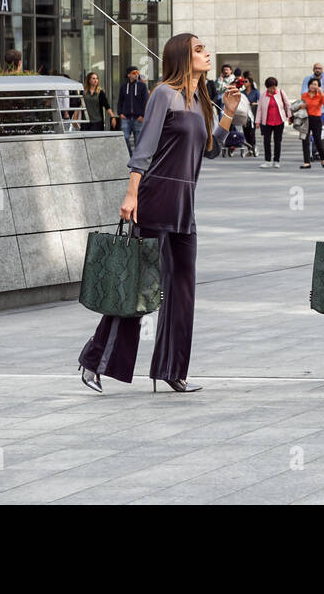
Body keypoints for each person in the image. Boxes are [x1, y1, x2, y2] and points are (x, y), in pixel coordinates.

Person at [78, 34, 240, 394]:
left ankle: (172, 369)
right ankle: (94, 361)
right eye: (199, 49)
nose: (207, 53)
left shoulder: (201, 100)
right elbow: (145, 147)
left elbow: (210, 150)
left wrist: (228, 112)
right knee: (137, 285)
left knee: (182, 291)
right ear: (183, 56)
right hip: (154, 198)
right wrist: (131, 193)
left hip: (184, 204)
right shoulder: (163, 94)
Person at [255, 77, 291, 168]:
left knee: (277, 141)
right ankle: (267, 161)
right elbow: (259, 109)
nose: (272, 89)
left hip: (279, 121)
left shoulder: (281, 93)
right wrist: (257, 121)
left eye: (274, 87)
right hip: (267, 122)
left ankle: (276, 160)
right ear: (267, 87)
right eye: (270, 87)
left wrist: (290, 117)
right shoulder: (263, 95)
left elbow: (288, 105)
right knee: (266, 141)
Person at [298, 76, 324, 169]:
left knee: (317, 140)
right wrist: (301, 106)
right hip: (305, 118)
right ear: (309, 85)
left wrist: (321, 93)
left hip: (316, 119)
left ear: (318, 86)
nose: (313, 86)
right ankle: (306, 162)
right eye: (312, 84)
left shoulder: (320, 95)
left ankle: (323, 159)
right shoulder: (304, 95)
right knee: (305, 140)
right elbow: (301, 106)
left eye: (315, 84)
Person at [117, 66, 149, 154]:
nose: (136, 75)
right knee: (125, 137)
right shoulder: (124, 87)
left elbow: (146, 101)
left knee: (138, 141)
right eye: (134, 73)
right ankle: (130, 155)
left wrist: (142, 115)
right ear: (128, 75)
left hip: (138, 118)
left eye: (137, 73)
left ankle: (136, 159)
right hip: (125, 118)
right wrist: (120, 113)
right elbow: (120, 101)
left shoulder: (142, 86)